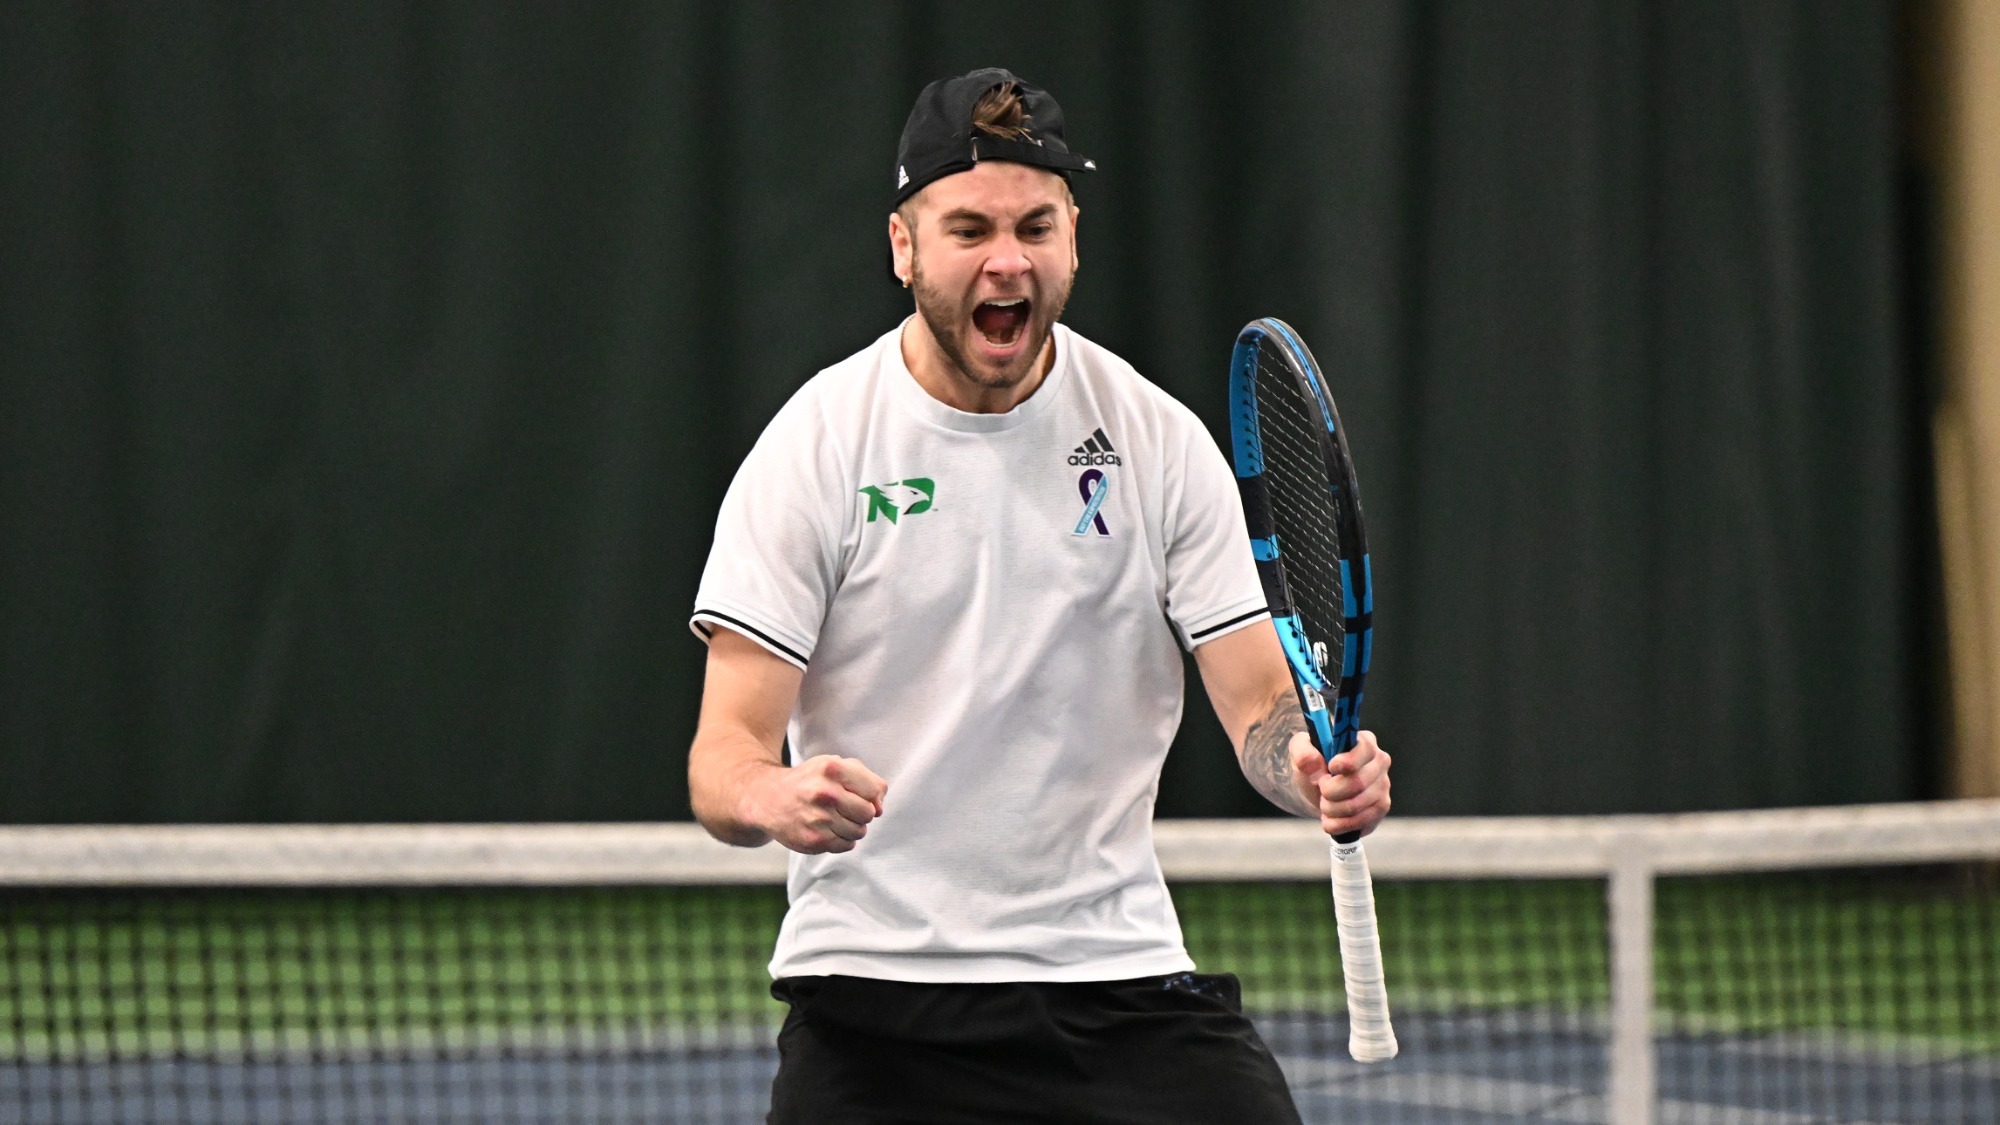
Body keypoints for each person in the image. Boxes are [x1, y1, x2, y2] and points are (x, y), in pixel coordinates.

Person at [687, 67, 1392, 1124]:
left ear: (1073, 238)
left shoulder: (1155, 439)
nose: (1006, 259)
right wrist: (773, 797)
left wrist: (1303, 766)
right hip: (873, 998)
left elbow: (1259, 708)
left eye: (1035, 226)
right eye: (967, 228)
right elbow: (720, 761)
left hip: (1114, 984)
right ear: (902, 247)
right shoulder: (816, 445)